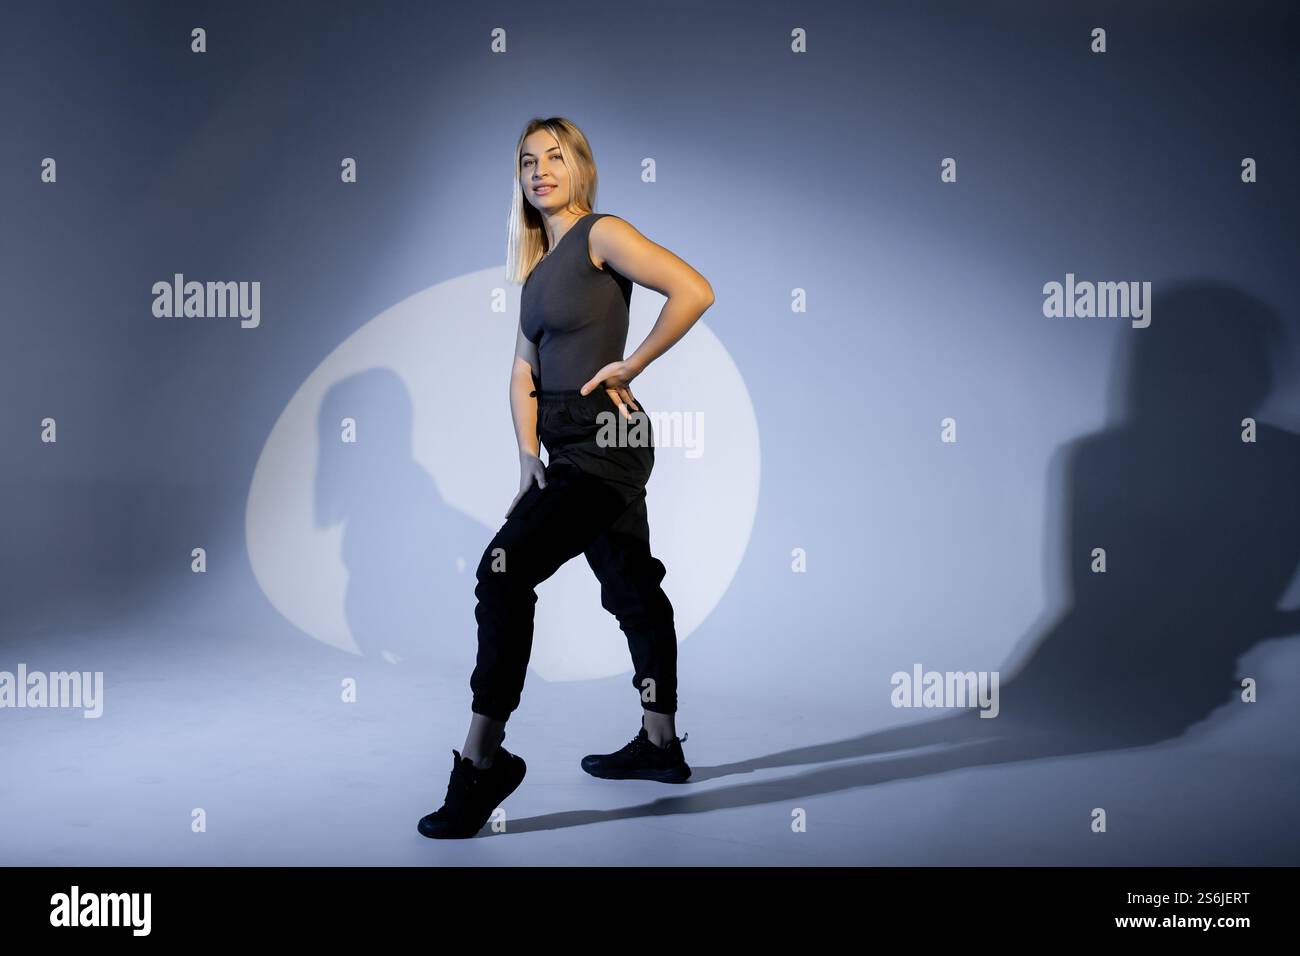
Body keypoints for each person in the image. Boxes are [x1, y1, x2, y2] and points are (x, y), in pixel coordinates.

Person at [419, 117, 716, 838]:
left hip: (606, 440)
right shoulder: (536, 272)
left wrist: (633, 362)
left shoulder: (602, 233)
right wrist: (528, 460)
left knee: (503, 571)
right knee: (630, 585)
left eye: (555, 157)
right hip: (566, 449)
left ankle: (482, 763)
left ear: (579, 167)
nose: (540, 169)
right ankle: (660, 744)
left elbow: (693, 290)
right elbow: (523, 370)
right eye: (527, 161)